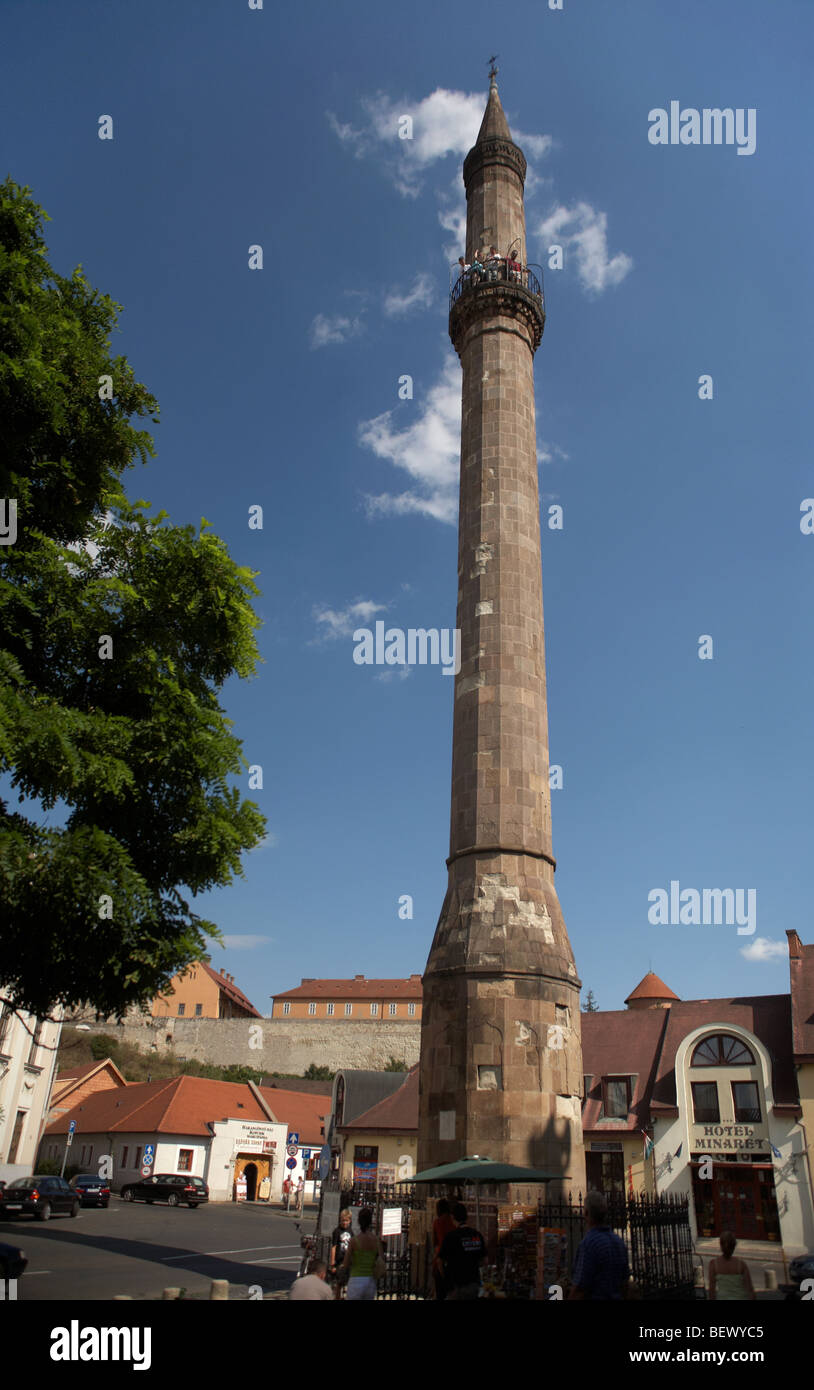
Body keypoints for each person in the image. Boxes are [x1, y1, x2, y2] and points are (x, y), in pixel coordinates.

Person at [569, 1190, 629, 1300]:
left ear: (586, 1213)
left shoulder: (589, 1244)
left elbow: (580, 1288)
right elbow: (625, 1283)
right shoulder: (619, 1242)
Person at [439, 1201, 486, 1299]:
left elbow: (440, 1261)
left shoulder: (450, 1237)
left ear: (453, 1217)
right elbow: (484, 1261)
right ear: (466, 1216)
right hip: (473, 1285)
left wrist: (445, 1277)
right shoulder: (477, 1235)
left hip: (455, 1285)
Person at [340, 1205, 382, 1301]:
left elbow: (345, 1263)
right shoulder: (376, 1240)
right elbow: (381, 1259)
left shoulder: (355, 1241)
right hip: (370, 1280)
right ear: (370, 1222)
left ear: (359, 1221)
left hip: (356, 1279)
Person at [708, 1232, 755, 1300]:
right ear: (734, 1247)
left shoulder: (714, 1264)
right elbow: (750, 1289)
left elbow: (711, 1290)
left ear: (721, 1245)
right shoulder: (741, 1264)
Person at [432, 1198, 456, 1300]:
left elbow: (435, 1243)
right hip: (453, 1261)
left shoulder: (437, 1223)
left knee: (440, 1294)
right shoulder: (453, 1222)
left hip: (440, 1262)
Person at [330, 1207, 353, 1299]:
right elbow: (334, 1247)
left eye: (346, 1221)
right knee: (339, 1282)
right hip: (339, 1260)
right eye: (343, 1220)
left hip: (348, 1260)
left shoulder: (350, 1231)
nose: (344, 1223)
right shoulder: (337, 1231)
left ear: (350, 1221)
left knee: (348, 1282)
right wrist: (332, 1263)